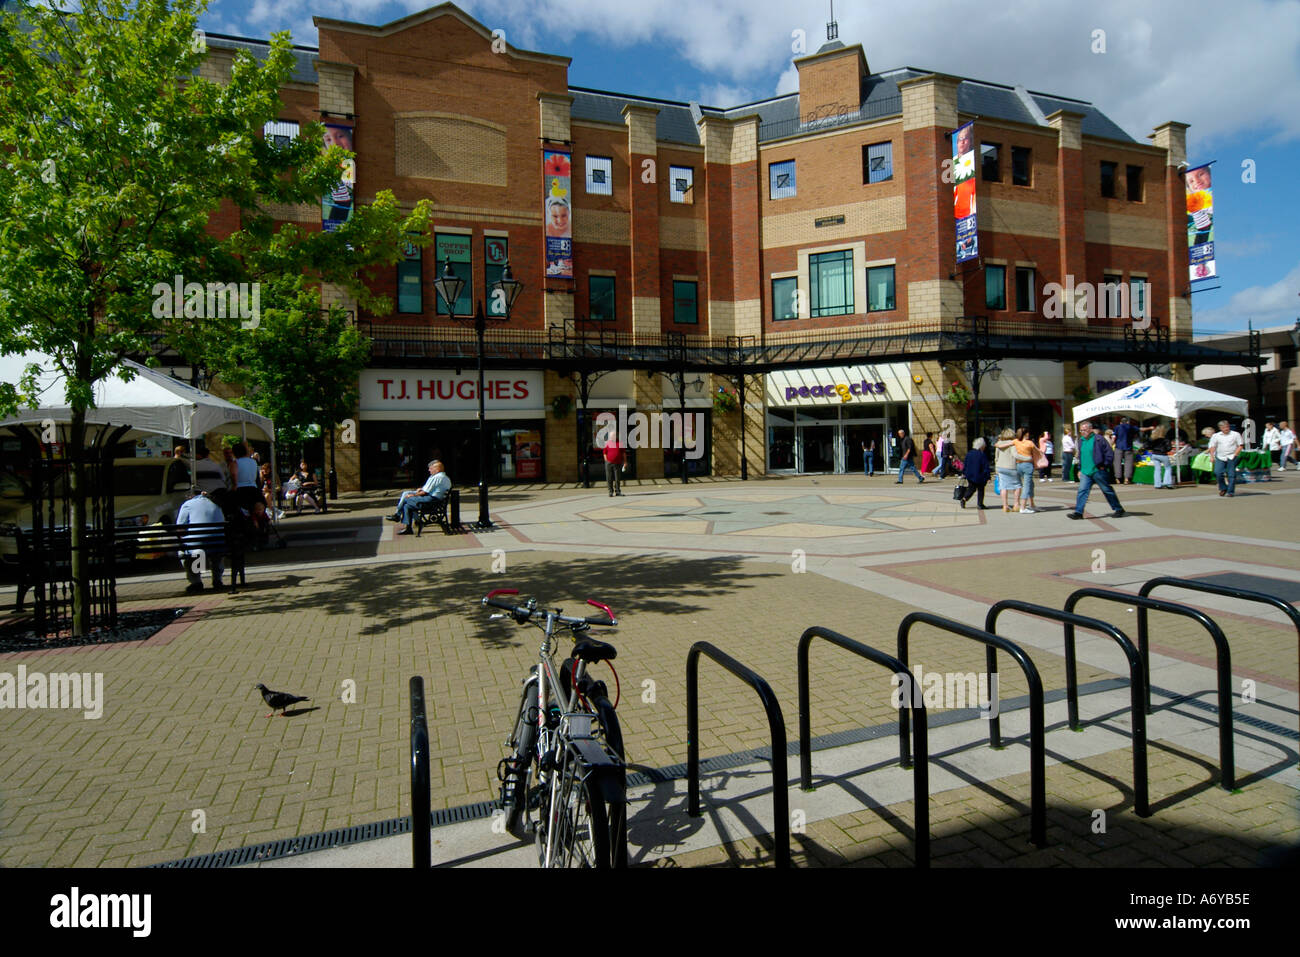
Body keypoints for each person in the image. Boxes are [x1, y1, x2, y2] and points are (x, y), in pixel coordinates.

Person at [1067, 420, 1124, 519]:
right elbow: (1081, 456)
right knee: (1082, 491)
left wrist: (1104, 465)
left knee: (1106, 490)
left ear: (1090, 429)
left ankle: (1118, 509)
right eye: (1081, 430)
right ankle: (1078, 512)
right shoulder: (1081, 441)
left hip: (1098, 470)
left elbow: (1109, 453)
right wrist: (1080, 469)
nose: (1082, 432)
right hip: (1085, 472)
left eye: (1084, 430)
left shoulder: (1099, 439)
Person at [176, 488, 227, 593]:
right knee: (215, 549)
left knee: (185, 549)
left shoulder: (187, 504)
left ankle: (196, 581)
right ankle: (217, 580)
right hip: (218, 543)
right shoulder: (215, 503)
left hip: (198, 546)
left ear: (190, 496)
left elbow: (180, 528)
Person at [395, 461, 451, 534]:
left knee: (406, 499)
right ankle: (408, 527)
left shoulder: (437, 477)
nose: (429, 470)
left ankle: (399, 517)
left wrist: (413, 495)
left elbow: (425, 492)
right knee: (407, 506)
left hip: (431, 502)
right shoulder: (445, 477)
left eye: (431, 468)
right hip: (437, 502)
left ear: (437, 470)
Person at [1207, 420, 1243, 497]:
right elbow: (1212, 446)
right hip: (1220, 456)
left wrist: (1235, 454)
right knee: (1218, 472)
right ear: (1220, 428)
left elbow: (1240, 445)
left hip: (1231, 456)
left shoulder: (1235, 434)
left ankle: (1230, 491)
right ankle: (1223, 488)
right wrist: (1212, 456)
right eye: (1223, 427)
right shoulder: (1216, 436)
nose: (1226, 428)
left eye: (1227, 426)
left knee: (1231, 475)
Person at [1012, 427, 1040, 513]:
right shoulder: (1030, 443)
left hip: (1018, 465)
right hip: (1028, 465)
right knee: (1027, 485)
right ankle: (1023, 507)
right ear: (1026, 434)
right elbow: (1038, 451)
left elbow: (1003, 444)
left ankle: (1032, 504)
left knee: (1030, 484)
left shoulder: (1015, 441)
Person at [993, 428, 1021, 512]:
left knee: (1003, 487)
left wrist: (996, 469)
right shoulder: (1013, 444)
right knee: (1017, 485)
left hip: (1000, 467)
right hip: (1012, 467)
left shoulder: (998, 444)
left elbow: (996, 457)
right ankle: (1016, 504)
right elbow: (1015, 455)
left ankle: (1005, 506)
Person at [959, 438, 991, 509]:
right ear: (981, 446)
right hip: (980, 475)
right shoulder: (982, 455)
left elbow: (965, 464)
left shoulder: (969, 453)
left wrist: (964, 473)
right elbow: (986, 467)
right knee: (981, 490)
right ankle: (980, 504)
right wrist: (988, 476)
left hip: (970, 475)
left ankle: (964, 499)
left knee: (971, 489)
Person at [232, 442, 262, 511]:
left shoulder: (235, 462)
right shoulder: (253, 462)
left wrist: (234, 487)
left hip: (241, 490)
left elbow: (234, 475)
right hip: (253, 489)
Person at [1113, 416, 1139, 484]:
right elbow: (1140, 429)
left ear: (1120, 422)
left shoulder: (1117, 427)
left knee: (1117, 463)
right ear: (1128, 422)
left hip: (1118, 447)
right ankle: (1126, 479)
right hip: (1128, 447)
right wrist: (1149, 428)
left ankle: (1117, 478)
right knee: (1128, 463)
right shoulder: (1131, 427)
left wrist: (1112, 443)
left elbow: (1114, 437)